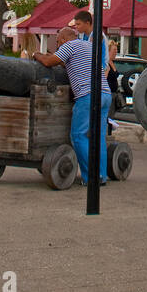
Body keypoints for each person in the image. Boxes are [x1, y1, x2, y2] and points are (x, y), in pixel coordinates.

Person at [34, 23, 111, 185]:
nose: (57, 45)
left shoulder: (69, 46)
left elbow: (48, 62)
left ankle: (91, 177)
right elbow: (68, 63)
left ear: (62, 39)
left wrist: (37, 55)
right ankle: (102, 175)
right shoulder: (88, 46)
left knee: (78, 135)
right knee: (98, 136)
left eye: (57, 42)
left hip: (88, 95)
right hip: (105, 93)